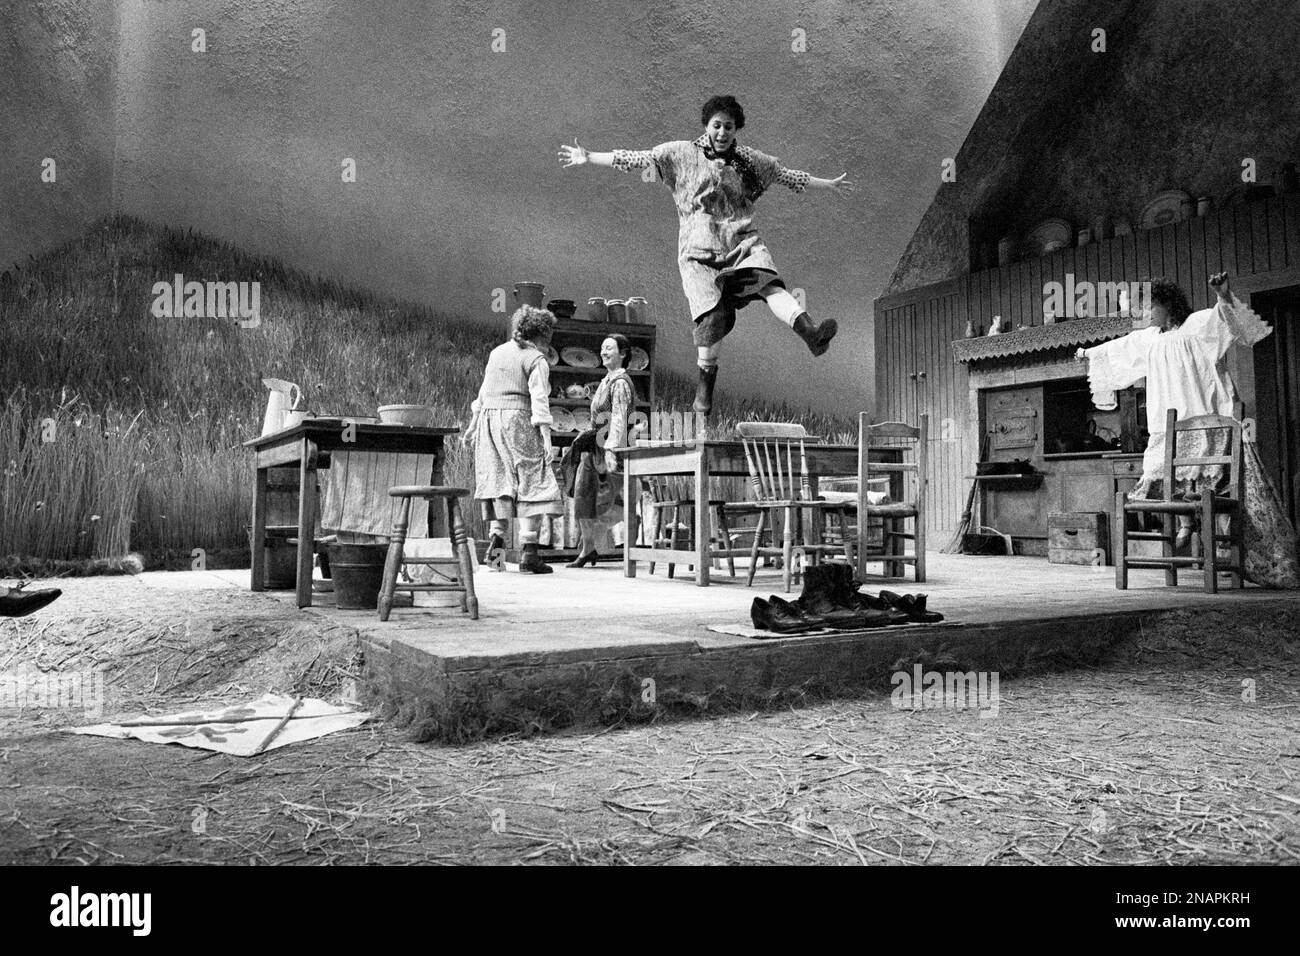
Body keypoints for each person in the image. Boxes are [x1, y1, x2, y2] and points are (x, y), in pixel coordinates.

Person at [558, 94, 854, 416]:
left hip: (739, 240)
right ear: (707, 125)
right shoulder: (681, 153)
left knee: (768, 282)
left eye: (729, 126)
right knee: (712, 317)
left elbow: (787, 176)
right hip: (698, 250)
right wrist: (589, 157)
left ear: (736, 128)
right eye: (717, 125)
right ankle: (703, 392)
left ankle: (811, 333)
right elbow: (637, 159)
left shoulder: (751, 161)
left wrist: (828, 185)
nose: (722, 132)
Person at [1078, 272, 1298, 587]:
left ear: (1168, 304)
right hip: (1167, 426)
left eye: (1150, 306)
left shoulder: (1195, 326)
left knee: (1215, 482)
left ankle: (1222, 547)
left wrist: (1223, 294)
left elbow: (1227, 321)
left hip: (1206, 418)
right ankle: (1185, 523)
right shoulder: (1149, 338)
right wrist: (1088, 354)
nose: (1146, 313)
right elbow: (1119, 349)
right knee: (1162, 473)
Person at [464, 305, 565, 574]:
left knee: (500, 482)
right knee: (532, 479)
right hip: (518, 420)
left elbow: (483, 392)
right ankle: (529, 554)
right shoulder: (536, 359)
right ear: (542, 334)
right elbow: (539, 399)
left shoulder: (497, 352)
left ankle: (496, 556)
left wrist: (474, 425)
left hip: (489, 422)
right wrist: (545, 435)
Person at [566, 335, 638, 567]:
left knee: (614, 501)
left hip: (611, 447)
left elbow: (618, 418)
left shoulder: (621, 383)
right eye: (602, 348)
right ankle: (588, 550)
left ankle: (623, 548)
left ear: (623, 353)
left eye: (609, 348)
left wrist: (611, 451)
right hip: (594, 447)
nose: (604, 352)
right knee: (583, 497)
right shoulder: (606, 380)